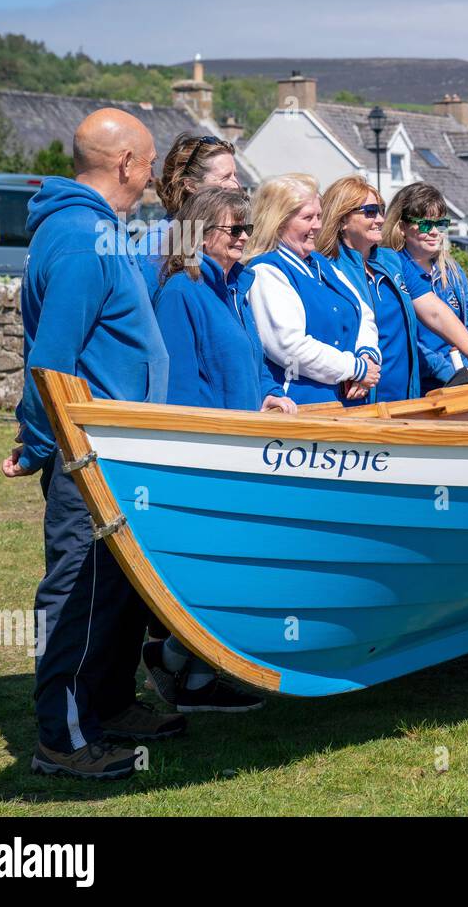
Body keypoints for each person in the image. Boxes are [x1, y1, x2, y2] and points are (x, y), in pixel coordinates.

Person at [2, 108, 184, 780]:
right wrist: (39, 443)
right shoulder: (82, 238)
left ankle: (108, 702)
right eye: (150, 162)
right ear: (128, 164)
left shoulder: (98, 230)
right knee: (79, 590)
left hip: (118, 449)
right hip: (89, 454)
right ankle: (64, 738)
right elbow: (53, 360)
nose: (153, 175)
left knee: (118, 587)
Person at [143, 186, 296, 713]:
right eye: (234, 230)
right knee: (227, 573)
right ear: (199, 235)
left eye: (247, 229)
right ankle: (192, 678)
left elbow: (246, 366)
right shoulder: (182, 293)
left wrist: (267, 398)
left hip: (246, 451)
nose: (244, 238)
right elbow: (181, 392)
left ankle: (174, 663)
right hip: (212, 459)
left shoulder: (235, 287)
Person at [316, 176, 468, 401]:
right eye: (370, 211)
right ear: (342, 218)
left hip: (404, 395)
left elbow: (434, 311)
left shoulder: (391, 261)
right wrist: (354, 368)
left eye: (381, 210)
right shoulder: (326, 268)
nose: (380, 219)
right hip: (359, 395)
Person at [243, 174, 381, 406]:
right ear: (279, 221)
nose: (317, 225)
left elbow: (364, 314)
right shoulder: (267, 271)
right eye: (308, 217)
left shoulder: (321, 264)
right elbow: (289, 347)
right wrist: (355, 368)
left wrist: (366, 357)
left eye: (319, 216)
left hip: (346, 403)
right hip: (303, 404)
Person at [380, 182, 468, 390]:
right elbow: (404, 335)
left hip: (462, 379)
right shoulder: (395, 268)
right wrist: (448, 372)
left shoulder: (452, 271)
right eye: (426, 225)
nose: (435, 232)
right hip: (420, 382)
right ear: (401, 227)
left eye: (441, 224)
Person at [140, 133, 240, 297]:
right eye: (226, 177)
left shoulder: (216, 236)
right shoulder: (158, 245)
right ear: (191, 185)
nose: (236, 185)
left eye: (235, 175)